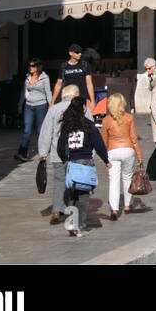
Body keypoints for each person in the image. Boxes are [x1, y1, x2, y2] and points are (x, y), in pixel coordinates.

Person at [57, 95, 109, 237]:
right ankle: (79, 227)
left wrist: (65, 160)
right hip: (85, 164)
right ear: (84, 108)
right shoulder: (88, 125)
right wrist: (106, 160)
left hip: (72, 164)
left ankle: (71, 222)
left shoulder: (67, 126)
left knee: (72, 195)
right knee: (83, 197)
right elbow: (98, 144)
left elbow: (60, 147)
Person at [38, 84, 80, 224]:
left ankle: (56, 210)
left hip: (58, 151)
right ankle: (72, 208)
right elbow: (90, 128)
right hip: (77, 151)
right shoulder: (81, 109)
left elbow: (46, 132)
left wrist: (43, 152)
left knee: (59, 181)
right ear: (75, 95)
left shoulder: (54, 110)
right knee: (75, 180)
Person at [99, 93, 142, 221]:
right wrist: (139, 155)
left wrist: (104, 156)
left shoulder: (106, 120)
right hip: (128, 149)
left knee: (114, 180)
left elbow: (104, 140)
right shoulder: (129, 118)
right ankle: (128, 205)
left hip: (113, 150)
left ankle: (114, 208)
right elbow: (134, 138)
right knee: (128, 177)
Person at [16, 58, 52, 162]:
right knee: (27, 130)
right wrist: (20, 104)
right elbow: (24, 91)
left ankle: (43, 151)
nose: (30, 68)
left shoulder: (45, 78)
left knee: (40, 130)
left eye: (33, 66)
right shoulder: (27, 77)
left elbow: (48, 92)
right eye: (29, 66)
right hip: (29, 105)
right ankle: (22, 152)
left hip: (41, 105)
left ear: (38, 67)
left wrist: (50, 105)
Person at [50, 44, 94, 115]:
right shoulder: (64, 66)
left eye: (80, 52)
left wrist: (92, 101)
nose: (80, 54)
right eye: (77, 52)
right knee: (68, 118)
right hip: (68, 98)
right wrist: (52, 102)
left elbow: (89, 83)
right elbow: (59, 84)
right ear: (71, 53)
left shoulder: (85, 65)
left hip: (82, 98)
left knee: (83, 119)